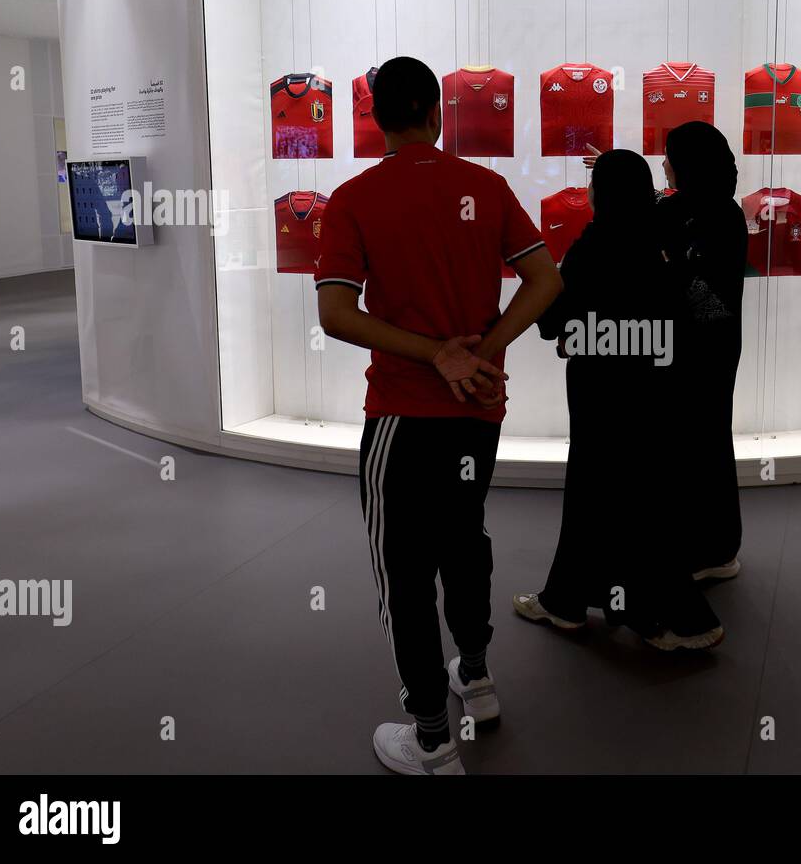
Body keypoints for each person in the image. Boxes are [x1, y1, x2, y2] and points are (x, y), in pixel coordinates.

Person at [315, 56, 562, 774]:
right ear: (435, 112)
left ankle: (429, 739)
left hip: (402, 415)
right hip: (477, 414)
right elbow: (546, 279)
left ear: (377, 118)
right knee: (464, 539)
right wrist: (479, 353)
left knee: (404, 566)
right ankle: (475, 678)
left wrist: (434, 356)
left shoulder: (354, 198)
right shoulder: (484, 187)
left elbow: (335, 313)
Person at [512, 149, 723, 650]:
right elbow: (708, 311)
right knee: (636, 494)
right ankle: (566, 600)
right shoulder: (666, 240)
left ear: (602, 195)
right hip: (658, 393)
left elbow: (553, 323)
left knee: (608, 495)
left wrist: (583, 334)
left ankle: (676, 620)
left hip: (602, 395)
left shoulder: (592, 247)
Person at [656, 122, 748, 580]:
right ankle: (703, 543)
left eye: (669, 155)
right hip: (693, 346)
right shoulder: (696, 207)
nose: (664, 163)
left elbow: (708, 299)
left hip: (707, 349)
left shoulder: (720, 217)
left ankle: (716, 551)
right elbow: (656, 207)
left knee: (705, 441)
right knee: (694, 442)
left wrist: (671, 268)